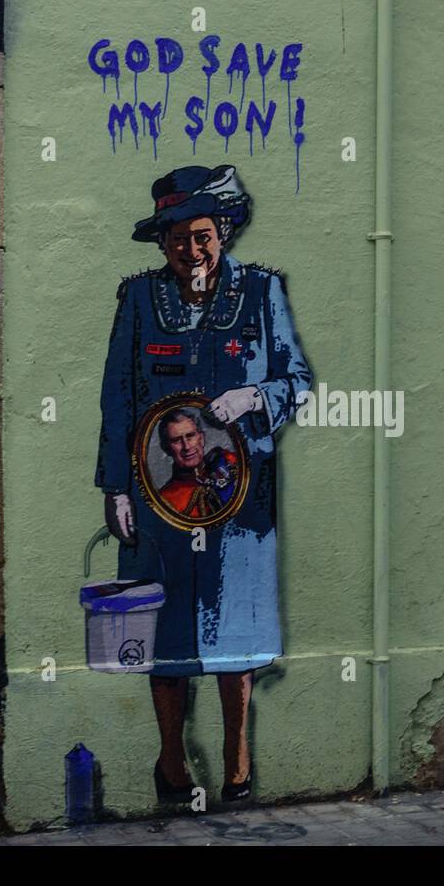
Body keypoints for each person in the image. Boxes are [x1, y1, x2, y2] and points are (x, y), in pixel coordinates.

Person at [96, 164, 312, 806]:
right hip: (157, 496)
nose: (192, 250)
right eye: (178, 239)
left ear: (223, 231)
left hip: (238, 499)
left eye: (202, 236)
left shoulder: (263, 291)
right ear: (162, 244)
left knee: (233, 629)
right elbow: (118, 398)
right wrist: (115, 488)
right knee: (163, 628)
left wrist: (254, 395)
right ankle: (170, 761)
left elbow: (296, 380)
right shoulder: (138, 300)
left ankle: (237, 754)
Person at [155, 408, 239, 518]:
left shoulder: (230, 461)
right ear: (166, 448)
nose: (187, 446)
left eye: (190, 436)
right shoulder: (166, 500)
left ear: (202, 439)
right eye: (176, 440)